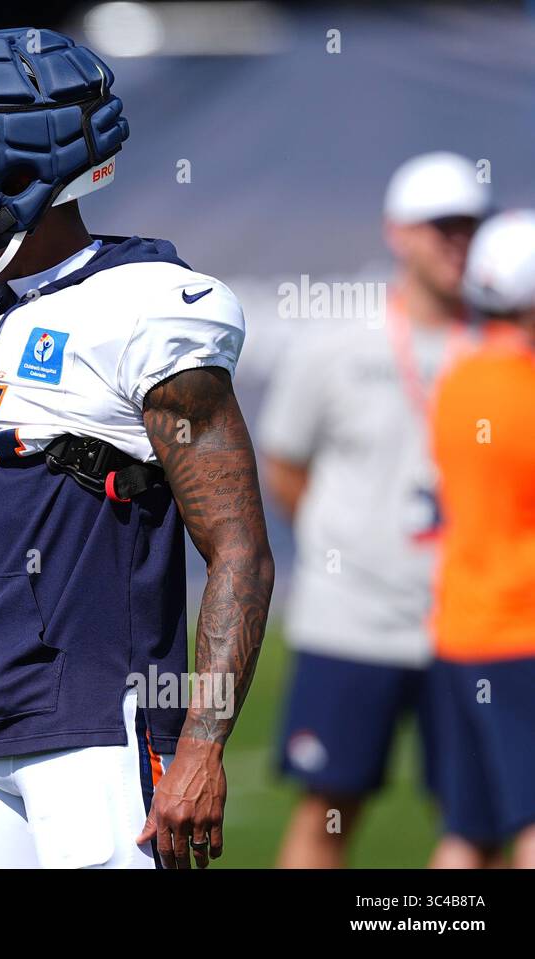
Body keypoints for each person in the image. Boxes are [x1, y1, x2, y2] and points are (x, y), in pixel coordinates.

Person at [0, 28, 273, 868]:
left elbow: (239, 546)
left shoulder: (147, 308)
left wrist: (204, 745)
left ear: (16, 179)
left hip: (95, 730)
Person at [259, 152, 488, 868]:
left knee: (479, 818)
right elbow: (285, 465)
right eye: (440, 226)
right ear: (398, 232)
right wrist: (344, 550)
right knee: (329, 808)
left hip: (470, 620)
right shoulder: (336, 345)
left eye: (469, 227)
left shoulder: (502, 344)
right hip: (353, 620)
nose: (458, 243)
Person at [428, 208, 535, 869]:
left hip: (461, 631)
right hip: (521, 632)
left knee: (471, 831)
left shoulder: (460, 378)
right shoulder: (522, 392)